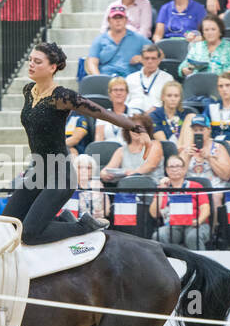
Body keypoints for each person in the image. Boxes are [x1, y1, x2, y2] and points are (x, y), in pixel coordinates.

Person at [8, 42, 149, 241]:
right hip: (38, 170)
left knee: (30, 234)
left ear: (52, 67)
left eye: (37, 61)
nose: (30, 64)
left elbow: (102, 113)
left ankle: (84, 226)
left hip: (60, 174)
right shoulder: (28, 91)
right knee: (6, 224)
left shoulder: (62, 96)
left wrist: (136, 127)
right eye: (30, 60)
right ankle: (66, 220)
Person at [152, 154, 212, 249]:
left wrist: (198, 221)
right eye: (171, 167)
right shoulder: (162, 189)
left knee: (193, 237)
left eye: (178, 166)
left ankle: (198, 263)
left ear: (184, 169)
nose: (174, 169)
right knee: (160, 235)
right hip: (173, 226)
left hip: (195, 224)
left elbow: (205, 208)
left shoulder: (195, 186)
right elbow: (154, 214)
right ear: (167, 170)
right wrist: (161, 191)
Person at [87, 5, 151, 78]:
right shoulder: (100, 39)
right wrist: (99, 79)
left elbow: (159, 54)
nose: (118, 21)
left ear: (126, 20)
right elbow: (92, 62)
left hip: (131, 80)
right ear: (109, 20)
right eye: (114, 18)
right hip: (107, 80)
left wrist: (142, 58)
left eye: (121, 18)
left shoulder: (138, 38)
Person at [178, 113, 230, 188]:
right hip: (191, 190)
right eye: (195, 130)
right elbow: (177, 176)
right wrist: (187, 158)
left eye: (201, 130)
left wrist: (210, 159)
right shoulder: (186, 150)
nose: (198, 133)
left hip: (214, 189)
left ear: (209, 130)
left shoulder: (219, 148)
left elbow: (227, 176)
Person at [178, 15, 230, 79]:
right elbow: (184, 65)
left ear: (220, 31)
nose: (209, 33)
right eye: (206, 30)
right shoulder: (196, 47)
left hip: (221, 85)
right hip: (197, 84)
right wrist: (184, 70)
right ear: (203, 32)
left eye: (213, 29)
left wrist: (225, 76)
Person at [125, 44, 173, 114]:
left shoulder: (167, 79)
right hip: (132, 116)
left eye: (153, 58)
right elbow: (124, 102)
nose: (150, 61)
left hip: (156, 116)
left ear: (159, 60)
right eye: (146, 58)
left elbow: (169, 102)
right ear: (141, 59)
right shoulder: (130, 78)